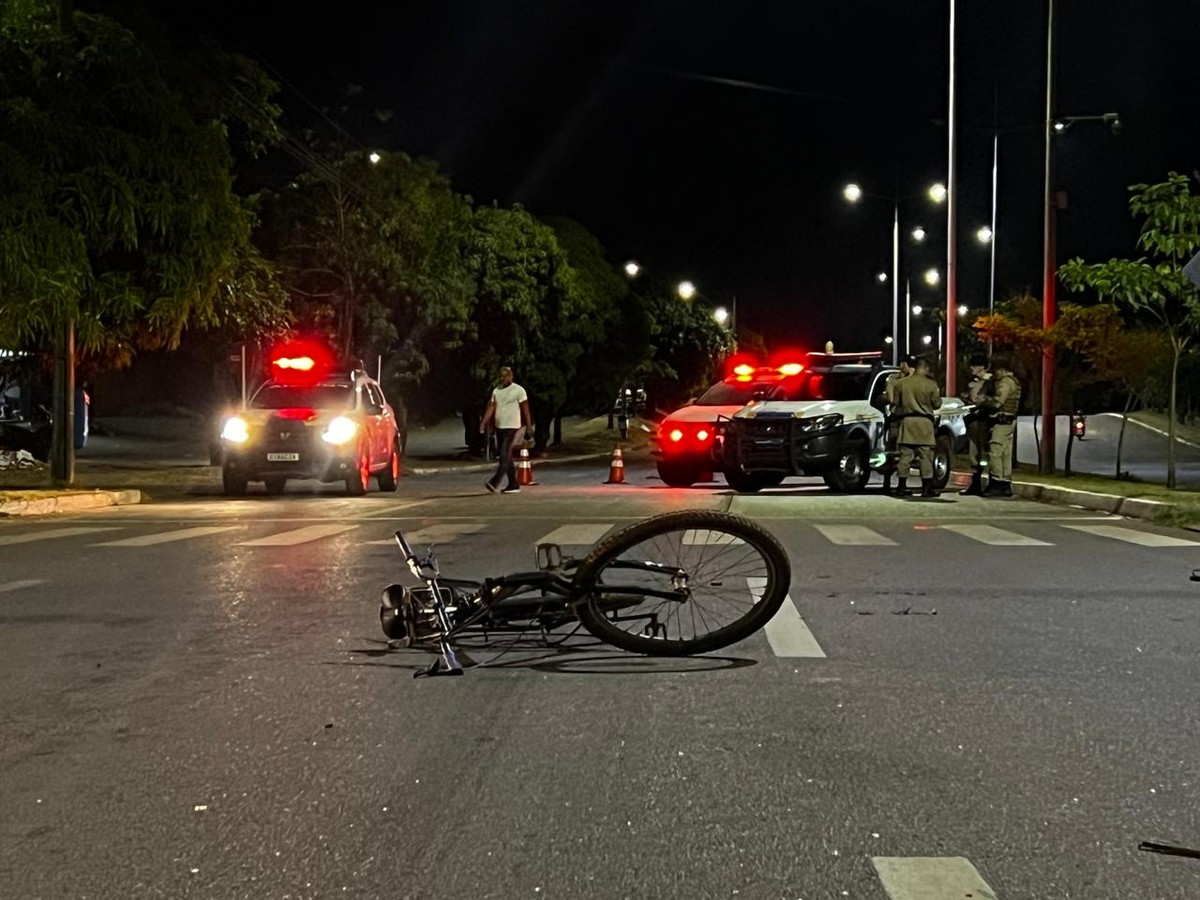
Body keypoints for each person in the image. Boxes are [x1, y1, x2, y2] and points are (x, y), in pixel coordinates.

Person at [891, 355, 942, 497]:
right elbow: (937, 404)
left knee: (905, 456)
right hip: (924, 423)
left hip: (907, 422)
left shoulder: (901, 384)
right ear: (925, 368)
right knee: (925, 456)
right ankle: (927, 488)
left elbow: (896, 403)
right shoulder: (931, 384)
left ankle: (901, 486)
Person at [480, 365, 532, 494]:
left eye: (505, 375)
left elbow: (525, 409)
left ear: (511, 376)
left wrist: (529, 426)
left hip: (512, 427)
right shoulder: (496, 391)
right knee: (507, 456)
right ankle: (513, 484)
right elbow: (491, 407)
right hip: (500, 426)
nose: (502, 378)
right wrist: (483, 423)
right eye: (501, 376)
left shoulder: (519, 390)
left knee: (503, 453)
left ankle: (495, 482)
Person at [982, 354, 1021, 497]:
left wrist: (985, 401)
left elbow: (998, 402)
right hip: (1009, 420)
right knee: (1005, 453)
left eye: (996, 371)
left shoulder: (1005, 382)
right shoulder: (1014, 381)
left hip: (1002, 420)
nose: (995, 374)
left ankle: (997, 482)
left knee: (995, 451)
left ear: (1002, 369)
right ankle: (1005, 483)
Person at [879, 355, 916, 495]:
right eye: (907, 364)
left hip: (910, 418)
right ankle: (888, 482)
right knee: (893, 450)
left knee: (908, 452)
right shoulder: (894, 380)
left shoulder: (914, 380)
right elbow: (891, 399)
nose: (907, 367)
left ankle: (901, 483)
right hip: (897, 419)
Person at [959, 354, 993, 495]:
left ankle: (990, 483)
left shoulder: (990, 382)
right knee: (974, 454)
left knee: (985, 454)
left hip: (985, 421)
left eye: (974, 366)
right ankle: (976, 483)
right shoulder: (972, 382)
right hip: (973, 421)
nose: (971, 368)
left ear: (982, 367)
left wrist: (982, 400)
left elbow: (993, 399)